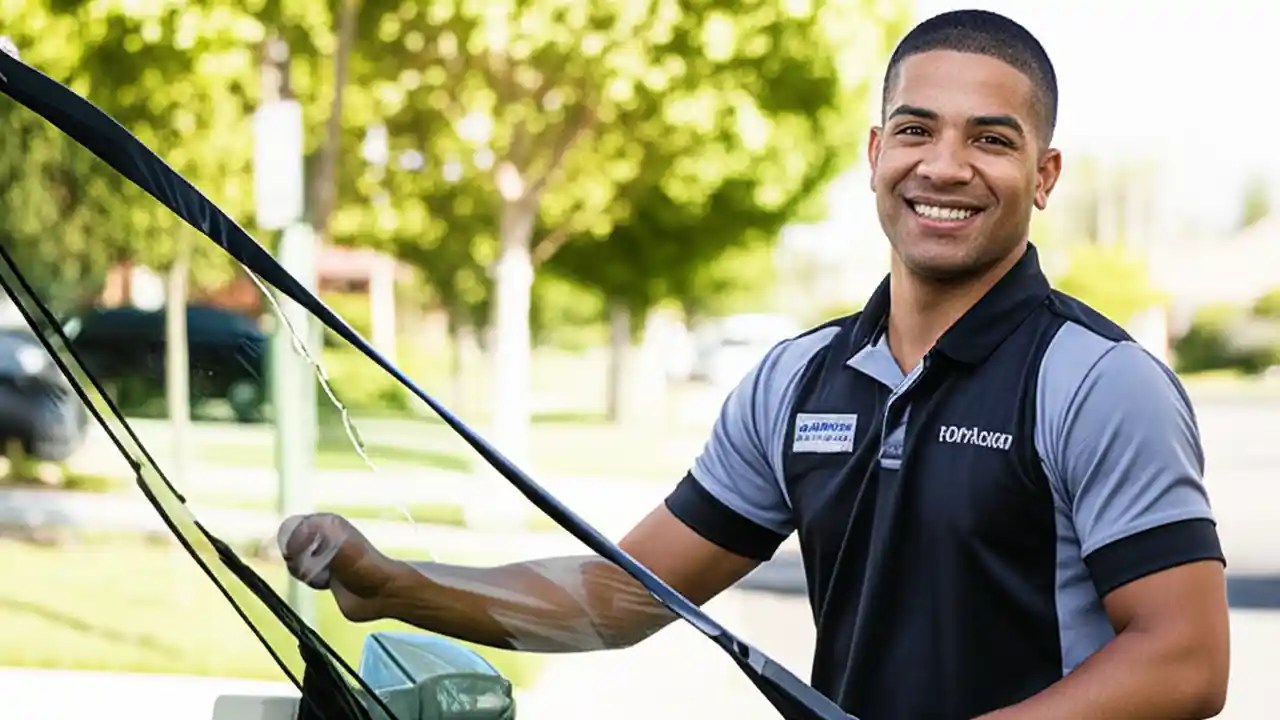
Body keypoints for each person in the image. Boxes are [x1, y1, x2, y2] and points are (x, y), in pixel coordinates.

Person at [279, 9, 1231, 719]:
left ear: (1046, 176)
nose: (945, 165)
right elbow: (620, 597)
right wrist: (398, 581)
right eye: (916, 129)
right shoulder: (799, 382)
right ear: (874, 153)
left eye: (991, 139)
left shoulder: (1100, 382)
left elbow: (1187, 661)